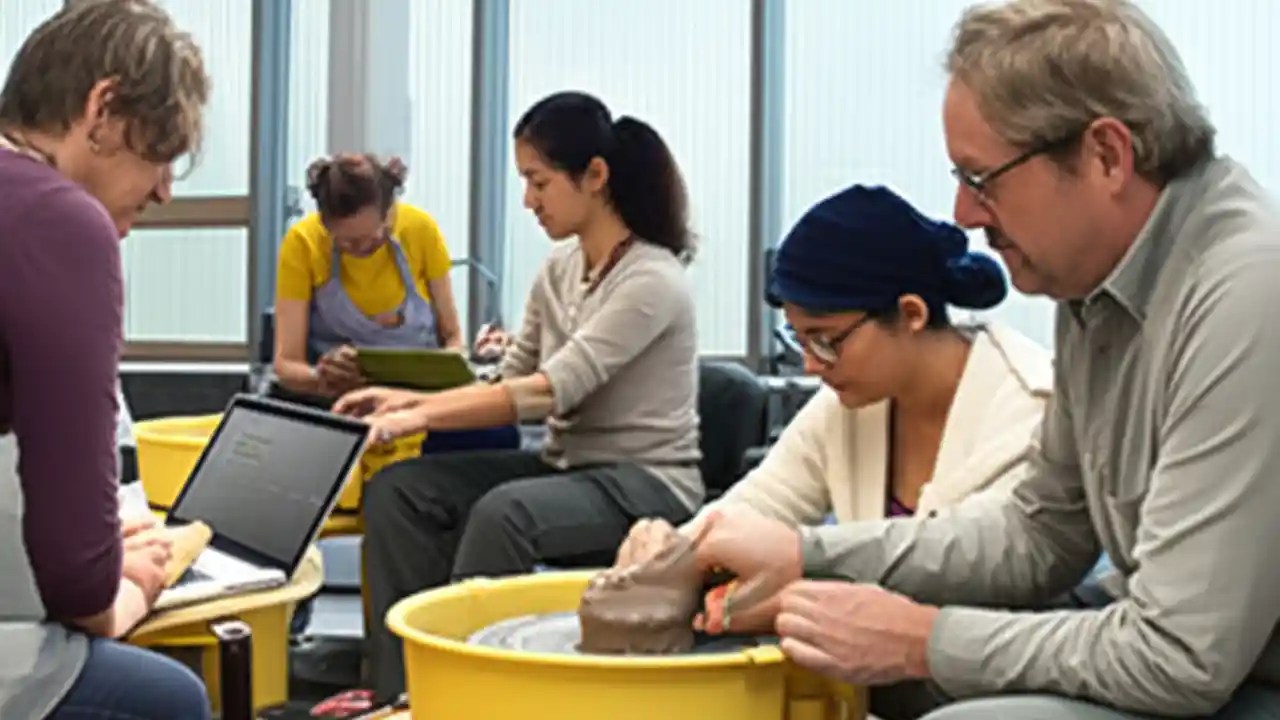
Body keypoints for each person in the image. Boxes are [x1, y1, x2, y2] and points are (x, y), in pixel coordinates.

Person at [670, 1, 1280, 718]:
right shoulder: (1094, 289)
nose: (963, 212)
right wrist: (808, 556)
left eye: (982, 178)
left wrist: (921, 641)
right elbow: (1039, 534)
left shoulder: (1246, 292)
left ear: (1107, 156)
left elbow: (1180, 655)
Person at [333, 90, 702, 706]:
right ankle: (402, 695)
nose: (528, 200)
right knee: (400, 492)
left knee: (505, 514)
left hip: (644, 483)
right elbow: (506, 376)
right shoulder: (558, 270)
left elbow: (548, 390)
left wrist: (416, 414)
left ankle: (469, 695)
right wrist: (399, 396)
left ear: (595, 177)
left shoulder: (652, 280)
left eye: (539, 181)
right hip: (567, 468)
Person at [618, 183, 1053, 635]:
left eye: (826, 340)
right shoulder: (848, 403)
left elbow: (980, 574)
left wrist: (795, 591)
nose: (810, 364)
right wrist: (674, 548)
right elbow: (763, 503)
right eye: (799, 340)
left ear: (911, 313)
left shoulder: (1030, 408)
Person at [0, 1, 211, 718]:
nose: (163, 191)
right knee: (169, 698)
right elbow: (81, 592)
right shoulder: (56, 219)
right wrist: (131, 584)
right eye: (161, 153)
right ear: (104, 109)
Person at [272, 153, 518, 468]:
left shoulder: (420, 230)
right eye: (346, 242)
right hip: (343, 405)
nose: (360, 250)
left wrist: (442, 378)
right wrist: (321, 378)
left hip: (416, 401)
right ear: (324, 223)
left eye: (370, 238)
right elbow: (286, 364)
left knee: (499, 434)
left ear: (390, 211)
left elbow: (453, 337)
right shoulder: (303, 243)